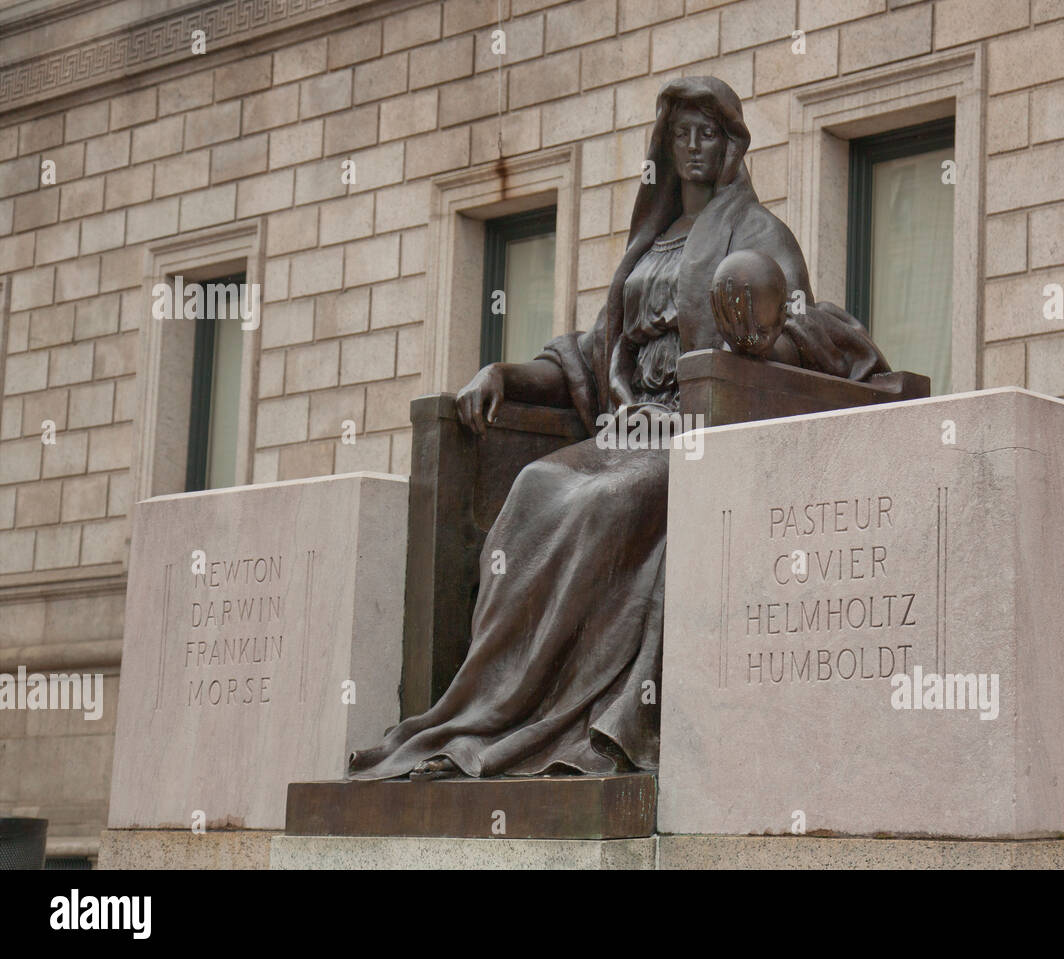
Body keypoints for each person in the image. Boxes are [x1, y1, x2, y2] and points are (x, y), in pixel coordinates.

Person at [347, 76, 892, 782]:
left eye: (709, 134)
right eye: (682, 134)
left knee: (603, 504)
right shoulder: (647, 245)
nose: (695, 147)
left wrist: (753, 339)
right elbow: (592, 351)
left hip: (699, 432)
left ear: (731, 147)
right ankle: (490, 705)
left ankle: (562, 715)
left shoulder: (759, 235)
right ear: (665, 147)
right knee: (537, 484)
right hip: (623, 427)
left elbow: (798, 332)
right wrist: (507, 375)